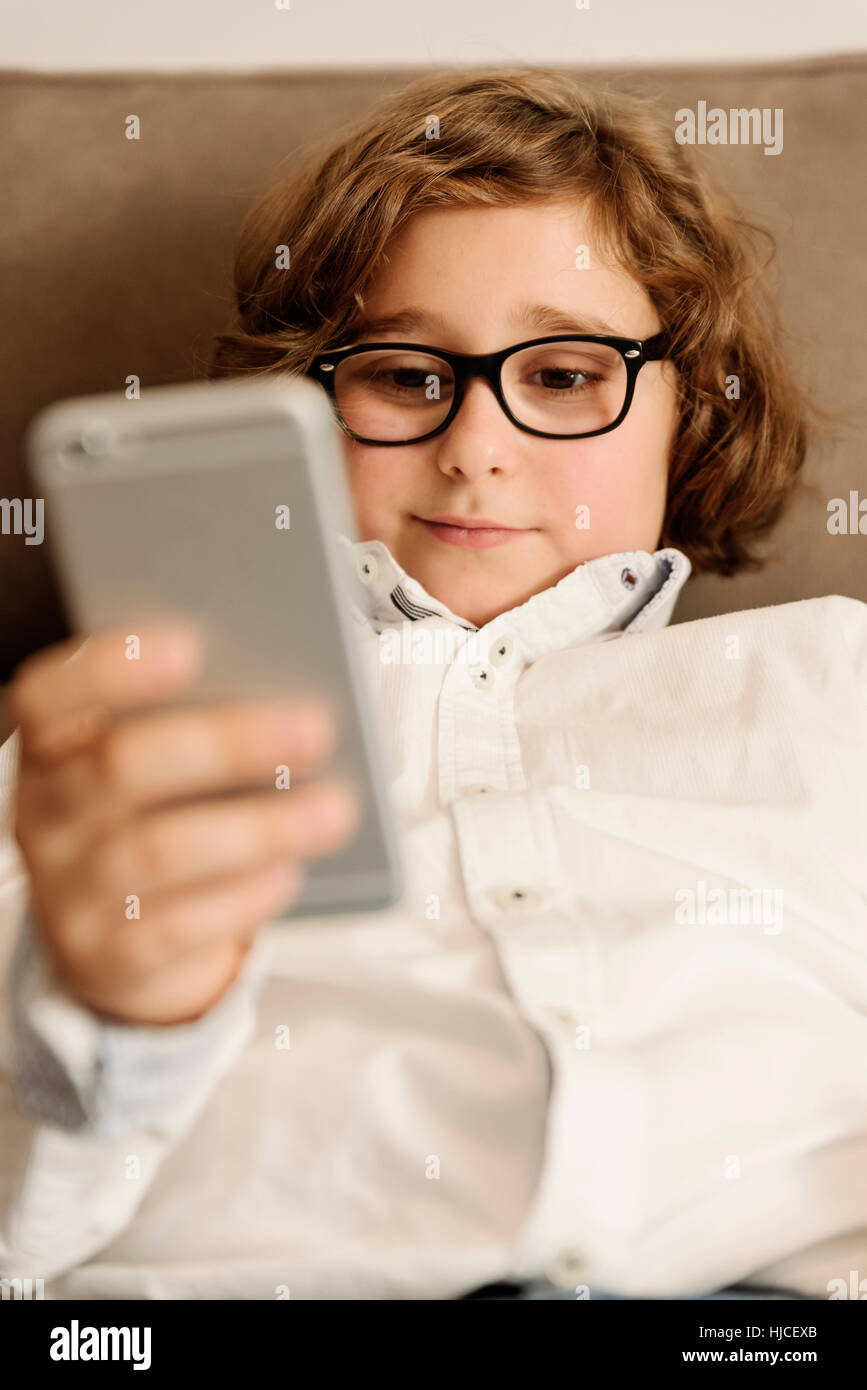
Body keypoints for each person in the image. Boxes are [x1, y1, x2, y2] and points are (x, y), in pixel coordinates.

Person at [0, 67, 864, 1301]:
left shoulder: (832, 686)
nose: (475, 446)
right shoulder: (124, 742)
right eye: (404, 375)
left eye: (566, 375)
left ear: (695, 419)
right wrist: (108, 1018)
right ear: (303, 408)